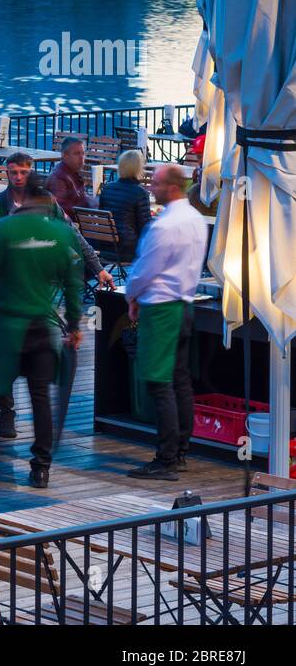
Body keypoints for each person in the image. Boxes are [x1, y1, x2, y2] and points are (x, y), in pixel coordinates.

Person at [0, 173, 84, 489]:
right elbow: (74, 285)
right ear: (46, 202)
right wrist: (74, 325)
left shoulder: (4, 228)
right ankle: (40, 468)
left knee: (1, 390)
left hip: (6, 325)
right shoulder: (61, 234)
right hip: (41, 327)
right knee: (40, 397)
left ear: (25, 198)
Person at [125, 165, 209, 481]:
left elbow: (146, 269)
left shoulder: (164, 226)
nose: (151, 187)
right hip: (185, 304)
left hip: (161, 307)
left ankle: (166, 458)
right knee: (180, 380)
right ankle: (182, 450)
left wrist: (131, 297)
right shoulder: (196, 220)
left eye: (156, 183)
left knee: (159, 383)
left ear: (172, 187)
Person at [0, 152, 114, 288]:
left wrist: (98, 268)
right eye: (14, 172)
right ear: (7, 174)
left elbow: (71, 232)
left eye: (24, 172)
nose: (18, 177)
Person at [98, 149, 152, 263]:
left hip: (105, 246)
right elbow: (146, 227)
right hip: (127, 249)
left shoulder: (107, 188)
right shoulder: (140, 193)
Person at [46, 137, 97, 220]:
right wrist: (87, 209)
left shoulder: (72, 173)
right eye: (77, 153)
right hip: (68, 228)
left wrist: (93, 201)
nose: (81, 157)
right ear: (65, 155)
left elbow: (79, 198)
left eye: (83, 153)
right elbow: (60, 209)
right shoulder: (59, 178)